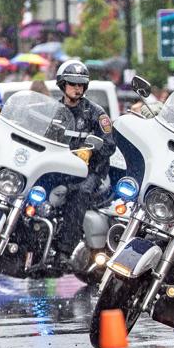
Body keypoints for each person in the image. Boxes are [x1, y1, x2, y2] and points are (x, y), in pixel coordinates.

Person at [52, 60, 116, 265]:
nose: (77, 88)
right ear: (63, 85)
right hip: (58, 167)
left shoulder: (96, 113)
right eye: (72, 84)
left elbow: (110, 145)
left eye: (81, 85)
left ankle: (64, 251)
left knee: (79, 193)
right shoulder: (54, 111)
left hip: (90, 172)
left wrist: (91, 150)